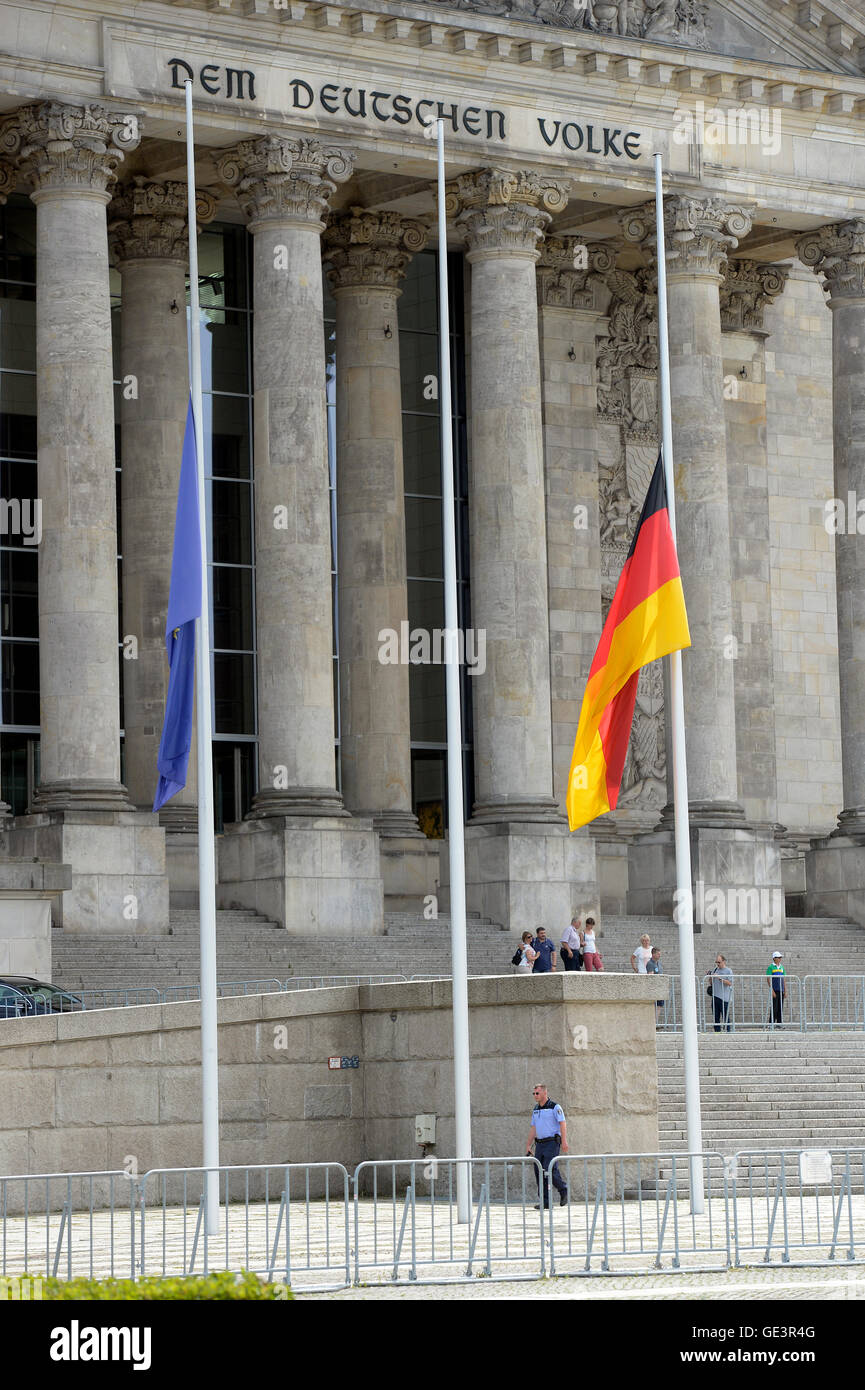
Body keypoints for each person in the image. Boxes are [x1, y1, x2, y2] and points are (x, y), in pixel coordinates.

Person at [525, 1082, 568, 1209]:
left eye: (537, 1093)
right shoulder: (536, 1109)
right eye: (534, 1093)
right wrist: (528, 1144)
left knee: (549, 1168)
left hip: (552, 1143)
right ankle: (545, 1201)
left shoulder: (555, 1107)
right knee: (538, 1170)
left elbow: (562, 1123)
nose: (535, 1095)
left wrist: (564, 1141)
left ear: (545, 1092)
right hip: (540, 1144)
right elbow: (533, 1128)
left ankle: (563, 1189)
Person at [706, 954, 733, 1032]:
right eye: (716, 962)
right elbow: (711, 983)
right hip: (715, 996)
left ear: (724, 961)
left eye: (719, 962)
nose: (717, 964)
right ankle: (717, 1032)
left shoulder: (728, 971)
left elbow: (730, 983)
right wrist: (710, 977)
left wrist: (719, 978)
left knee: (725, 1016)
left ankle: (728, 1031)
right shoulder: (715, 969)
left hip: (724, 998)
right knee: (715, 1016)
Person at [766, 951, 786, 1027]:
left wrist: (785, 990)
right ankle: (771, 1023)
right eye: (778, 957)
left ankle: (779, 1023)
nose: (780, 959)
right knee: (774, 1007)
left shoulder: (782, 967)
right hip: (775, 989)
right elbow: (768, 979)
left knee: (780, 1007)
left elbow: (784, 979)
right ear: (774, 958)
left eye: (780, 957)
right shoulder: (771, 967)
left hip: (781, 990)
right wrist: (772, 990)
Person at [646, 945, 664, 1025]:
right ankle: (652, 1023)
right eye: (658, 954)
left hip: (660, 987)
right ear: (653, 954)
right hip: (654, 987)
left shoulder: (659, 963)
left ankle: (655, 1023)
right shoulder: (650, 963)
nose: (659, 955)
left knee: (659, 1005)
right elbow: (651, 976)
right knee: (654, 1006)